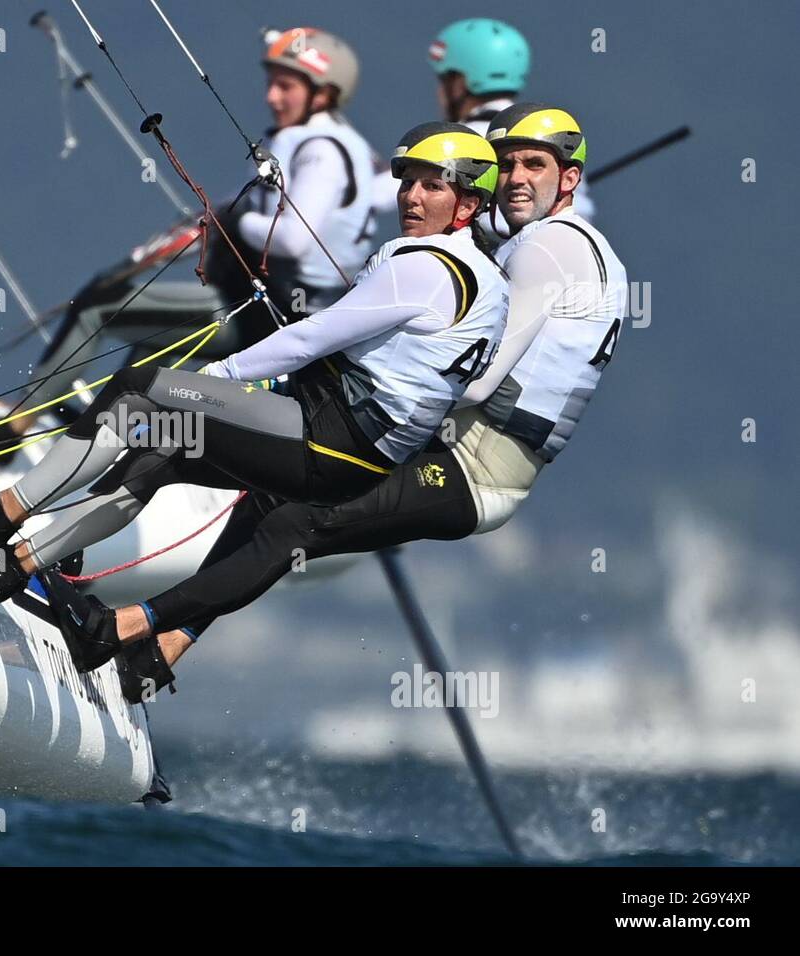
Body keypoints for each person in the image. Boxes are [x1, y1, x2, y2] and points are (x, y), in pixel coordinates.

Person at [80, 104, 628, 704]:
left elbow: (475, 382)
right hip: (457, 450)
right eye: (507, 164)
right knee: (270, 496)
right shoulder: (567, 244)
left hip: (476, 470)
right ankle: (158, 653)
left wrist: (355, 360)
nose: (516, 177)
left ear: (568, 177)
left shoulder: (545, 249)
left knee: (297, 519)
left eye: (534, 165)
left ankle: (120, 626)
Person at [0, 123, 510, 675]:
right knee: (162, 454)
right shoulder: (490, 285)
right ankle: (18, 566)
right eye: (408, 181)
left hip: (327, 443)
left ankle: (3, 515)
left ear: (468, 205)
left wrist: (222, 375)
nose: (413, 197)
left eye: (434, 186)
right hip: (354, 449)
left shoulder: (425, 267)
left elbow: (311, 337)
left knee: (140, 391)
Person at [5, 28, 380, 437]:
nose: (272, 96)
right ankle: (98, 435)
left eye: (285, 86)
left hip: (262, 314)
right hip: (272, 312)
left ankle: (13, 428)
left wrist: (233, 223)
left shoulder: (320, 150)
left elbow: (293, 239)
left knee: (98, 302)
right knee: (153, 350)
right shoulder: (337, 145)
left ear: (323, 94)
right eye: (271, 82)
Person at [372, 18, 594, 228]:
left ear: (459, 83)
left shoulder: (467, 141)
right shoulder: (551, 136)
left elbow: (373, 197)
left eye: (444, 79)